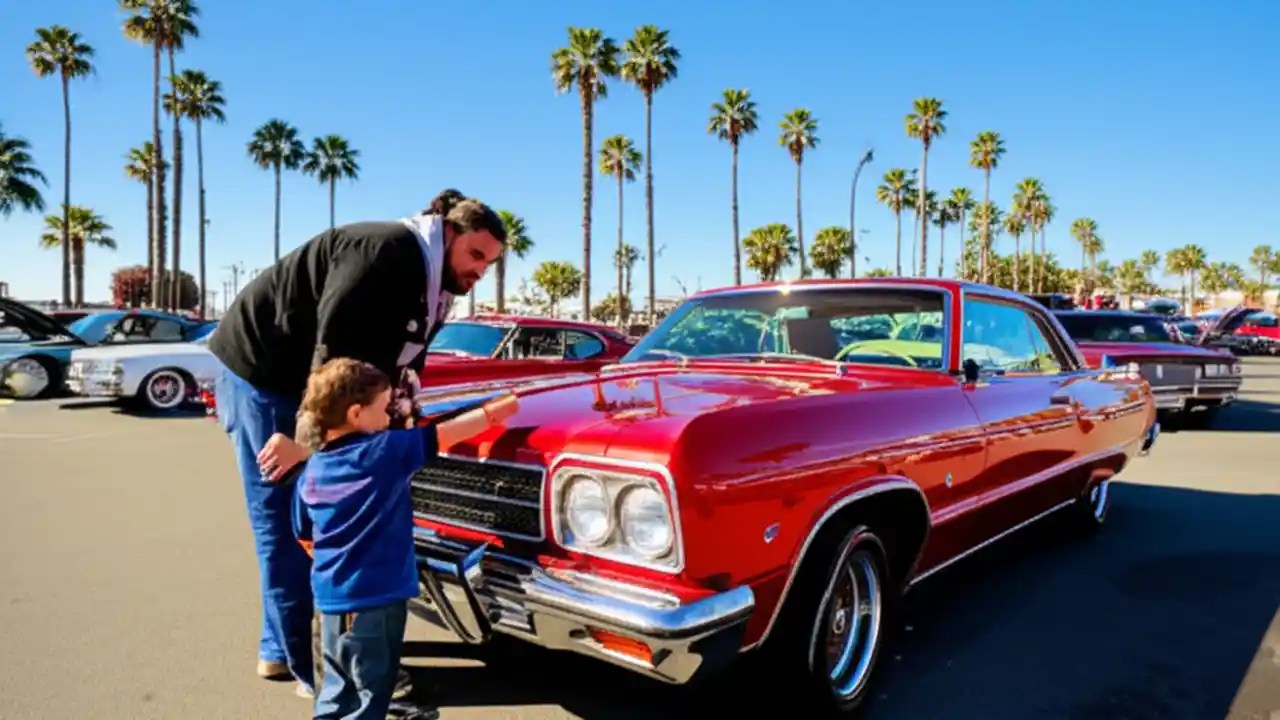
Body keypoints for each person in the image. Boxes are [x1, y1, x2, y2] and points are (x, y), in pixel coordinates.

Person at [209, 190, 507, 695]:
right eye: (475, 254)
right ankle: (326, 674)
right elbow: (333, 355)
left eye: (491, 263)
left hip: (305, 383)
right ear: (448, 233)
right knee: (291, 522)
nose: (481, 270)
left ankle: (280, 650)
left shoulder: (431, 280)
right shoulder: (387, 252)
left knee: (306, 519)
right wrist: (309, 443)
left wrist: (404, 417)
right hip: (263, 377)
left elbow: (397, 362)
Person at [256, 358, 518, 719]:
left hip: (330, 601)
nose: (390, 415)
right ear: (355, 413)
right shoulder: (385, 452)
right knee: (370, 695)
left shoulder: (312, 469)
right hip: (375, 601)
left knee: (336, 691)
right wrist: (496, 411)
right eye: (383, 408)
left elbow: (304, 533)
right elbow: (445, 434)